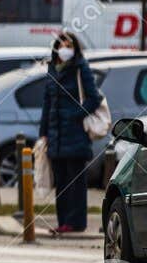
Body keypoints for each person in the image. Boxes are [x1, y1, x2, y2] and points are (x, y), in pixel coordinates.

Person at [38, 31, 102, 235]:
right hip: (55, 136)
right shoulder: (52, 70)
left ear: (75, 48)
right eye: (62, 44)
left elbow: (94, 98)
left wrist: (75, 116)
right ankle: (63, 222)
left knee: (75, 181)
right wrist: (44, 132)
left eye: (69, 45)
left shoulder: (80, 68)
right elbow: (47, 103)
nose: (66, 49)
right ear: (56, 47)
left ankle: (77, 222)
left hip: (75, 134)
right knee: (61, 181)